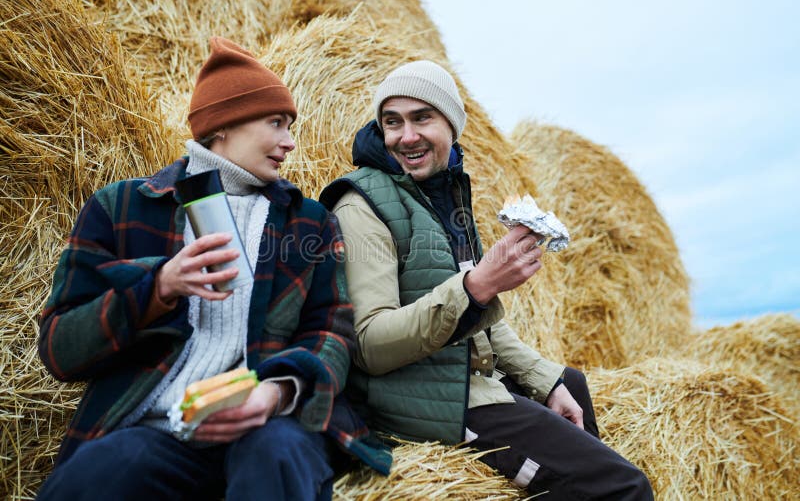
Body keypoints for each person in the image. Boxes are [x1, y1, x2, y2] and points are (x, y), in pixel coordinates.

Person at [37, 37, 389, 501]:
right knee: (101, 474)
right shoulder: (122, 208)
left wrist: (278, 393)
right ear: (224, 125)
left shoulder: (309, 222)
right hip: (158, 429)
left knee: (276, 456)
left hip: (269, 425)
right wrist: (158, 287)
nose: (290, 142)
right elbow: (59, 348)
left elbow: (332, 333)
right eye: (277, 123)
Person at [320, 60, 653, 499]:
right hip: (422, 400)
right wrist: (476, 286)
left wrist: (545, 379)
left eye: (423, 117)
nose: (407, 136)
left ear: (453, 126)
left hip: (462, 374)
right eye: (392, 122)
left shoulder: (444, 193)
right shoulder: (361, 204)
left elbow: (482, 323)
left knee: (572, 384)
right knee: (623, 486)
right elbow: (371, 345)